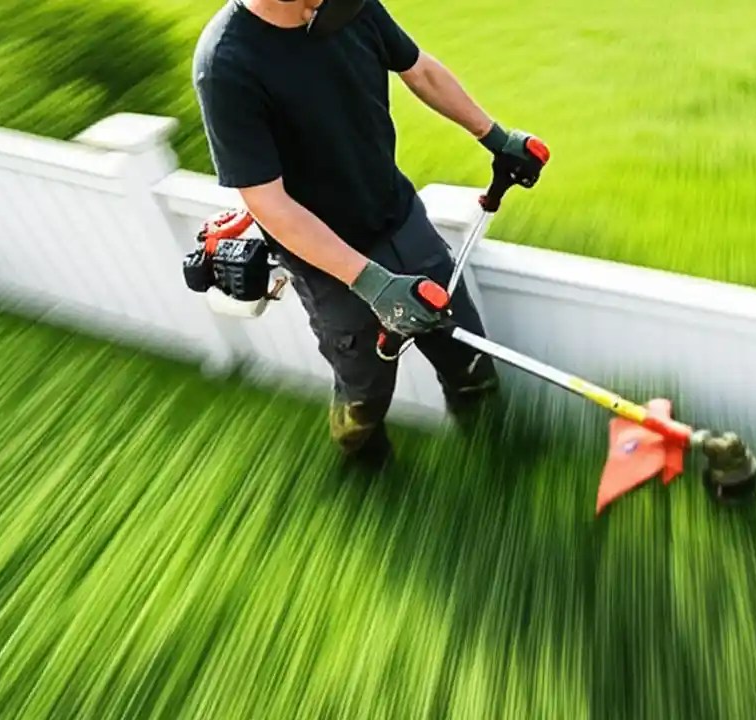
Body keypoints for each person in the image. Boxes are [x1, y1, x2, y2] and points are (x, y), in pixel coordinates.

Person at [191, 0, 548, 471]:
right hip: (325, 262)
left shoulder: (348, 7)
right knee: (366, 389)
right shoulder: (226, 63)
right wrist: (371, 282)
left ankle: (497, 464)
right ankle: (364, 468)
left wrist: (495, 137)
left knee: (465, 353)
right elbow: (267, 202)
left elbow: (418, 69)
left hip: (399, 218)